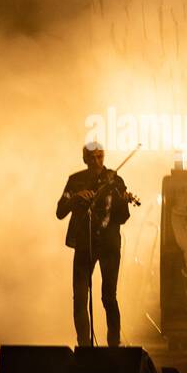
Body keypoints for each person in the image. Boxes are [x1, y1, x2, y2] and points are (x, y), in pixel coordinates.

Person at [56, 141, 133, 346]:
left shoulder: (115, 180)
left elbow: (123, 217)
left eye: (100, 156)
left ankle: (114, 346)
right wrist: (75, 198)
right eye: (92, 157)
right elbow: (60, 211)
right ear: (85, 159)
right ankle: (84, 346)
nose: (97, 162)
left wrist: (124, 200)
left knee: (109, 296)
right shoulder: (75, 181)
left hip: (109, 245)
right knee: (80, 298)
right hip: (84, 244)